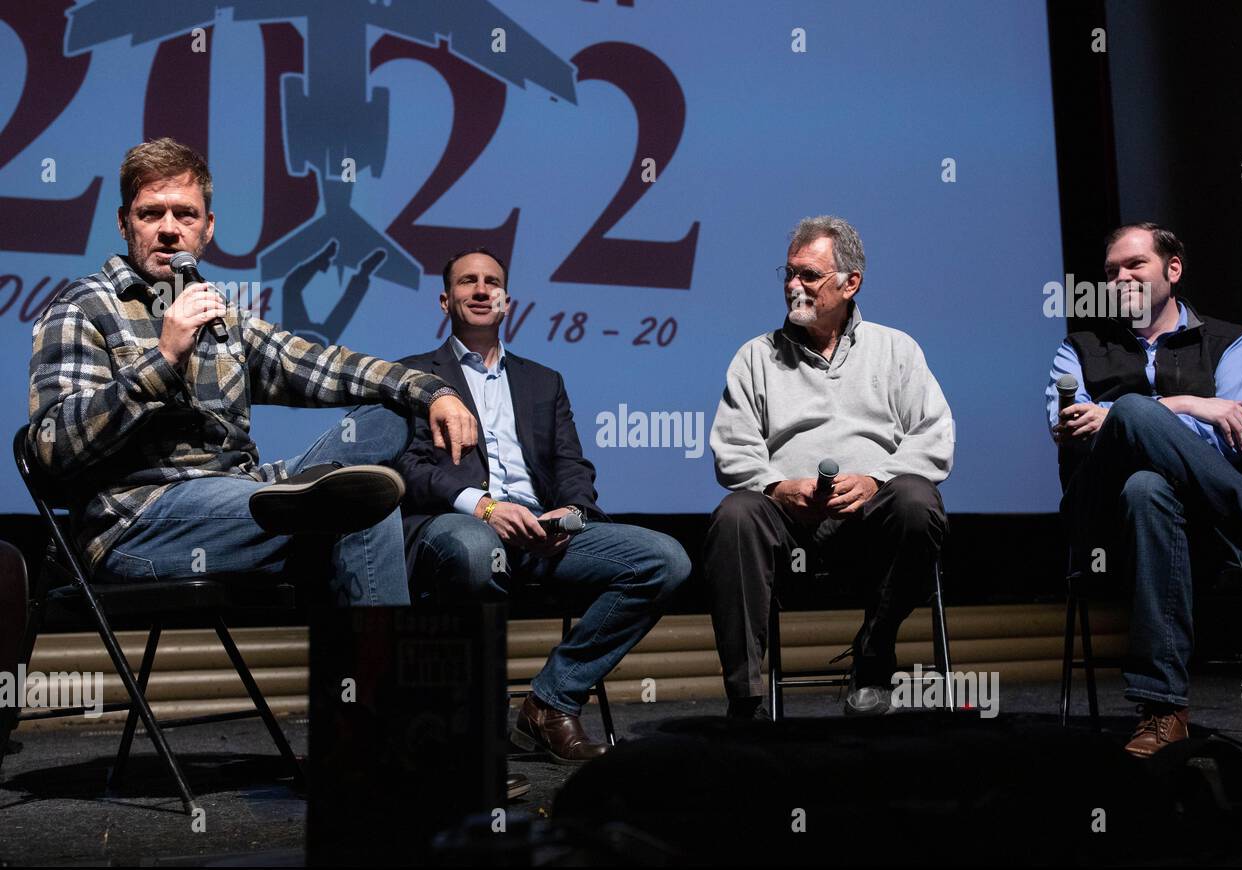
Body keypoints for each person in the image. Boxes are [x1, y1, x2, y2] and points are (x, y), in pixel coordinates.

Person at [27, 138, 478, 606]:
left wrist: (432, 390)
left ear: (207, 229)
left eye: (185, 215)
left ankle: (309, 505)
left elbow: (320, 365)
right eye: (150, 214)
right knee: (361, 508)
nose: (168, 230)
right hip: (142, 521)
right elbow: (52, 449)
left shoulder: (221, 317)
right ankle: (374, 665)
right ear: (124, 223)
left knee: (390, 415)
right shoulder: (83, 308)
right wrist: (161, 361)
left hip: (245, 496)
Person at [395, 248, 692, 764]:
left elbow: (572, 467)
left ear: (507, 301)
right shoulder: (415, 375)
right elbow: (410, 467)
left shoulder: (543, 380)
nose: (482, 289)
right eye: (468, 281)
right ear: (446, 300)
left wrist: (570, 515)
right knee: (471, 550)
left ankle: (550, 703)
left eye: (492, 282)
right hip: (462, 525)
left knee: (665, 560)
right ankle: (473, 734)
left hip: (540, 533)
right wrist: (485, 507)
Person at [1048, 222, 1242, 757]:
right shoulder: (1079, 348)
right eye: (1111, 270)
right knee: (1134, 427)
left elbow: (1235, 442)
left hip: (1206, 524)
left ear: (1173, 269)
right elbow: (1070, 429)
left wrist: (1117, 418)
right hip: (1100, 523)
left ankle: (1163, 711)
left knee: (1147, 487)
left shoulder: (1232, 343)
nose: (1120, 278)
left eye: (1134, 265)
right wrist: (1187, 405)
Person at [705, 216, 954, 718]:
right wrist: (778, 487)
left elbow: (935, 436)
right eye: (789, 274)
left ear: (850, 283)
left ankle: (874, 654)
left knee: (916, 501)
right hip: (788, 527)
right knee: (735, 515)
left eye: (809, 275)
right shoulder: (755, 357)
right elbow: (732, 450)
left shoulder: (896, 350)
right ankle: (746, 698)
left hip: (871, 524)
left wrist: (875, 480)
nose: (794, 286)